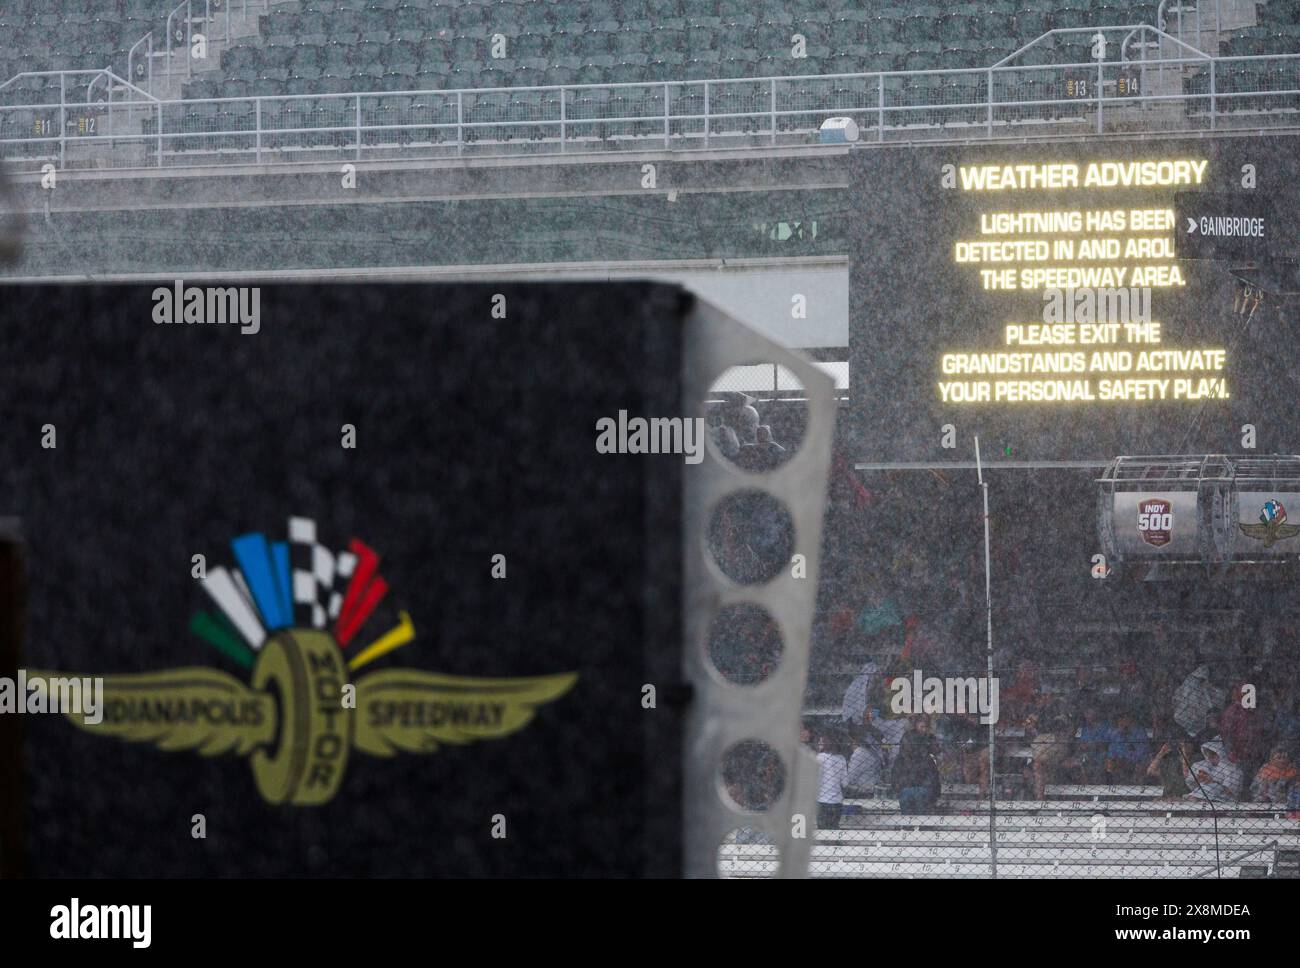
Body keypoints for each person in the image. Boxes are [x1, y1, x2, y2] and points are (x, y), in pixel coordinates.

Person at [891, 718, 941, 815]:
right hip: (906, 790)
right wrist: (903, 787)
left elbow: (933, 780)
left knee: (920, 794)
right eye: (908, 743)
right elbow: (895, 778)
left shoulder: (927, 759)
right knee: (908, 793)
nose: (910, 746)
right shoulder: (901, 760)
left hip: (923, 791)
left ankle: (918, 824)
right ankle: (909, 825)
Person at [1173, 664, 1224, 738]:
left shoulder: (1216, 692)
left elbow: (1214, 708)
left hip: (1204, 728)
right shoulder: (1189, 688)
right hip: (1191, 724)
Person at [1105, 708, 1152, 784]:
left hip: (1137, 764)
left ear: (1129, 719)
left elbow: (1143, 753)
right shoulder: (1115, 735)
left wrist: (1129, 758)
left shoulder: (1139, 733)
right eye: (1119, 719)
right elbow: (1111, 753)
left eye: (1124, 718)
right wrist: (1116, 760)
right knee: (1109, 765)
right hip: (1120, 766)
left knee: (1140, 767)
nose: (1121, 721)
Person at [815, 733, 848, 829]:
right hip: (837, 801)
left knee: (822, 830)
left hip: (822, 800)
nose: (818, 743)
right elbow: (845, 782)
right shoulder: (841, 758)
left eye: (821, 742)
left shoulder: (819, 758)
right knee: (834, 828)